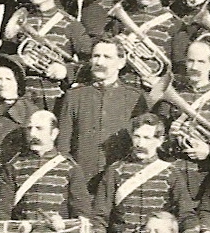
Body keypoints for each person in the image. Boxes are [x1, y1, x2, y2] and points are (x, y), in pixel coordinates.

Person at [92, 114, 199, 233]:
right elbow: (98, 216)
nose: (140, 143)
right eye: (137, 136)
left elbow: (187, 214)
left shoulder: (171, 174)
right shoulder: (115, 171)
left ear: (160, 140)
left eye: (147, 138)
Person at [152, 39, 210, 201]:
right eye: (191, 61)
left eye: (201, 62)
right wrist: (168, 137)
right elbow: (153, 136)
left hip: (203, 178)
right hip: (170, 173)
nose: (194, 67)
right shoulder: (171, 96)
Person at [55, 40, 148, 190]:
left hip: (121, 182)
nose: (99, 62)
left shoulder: (135, 98)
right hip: (81, 181)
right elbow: (63, 146)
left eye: (107, 57)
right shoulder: (74, 96)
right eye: (96, 56)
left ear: (121, 62)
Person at [1, 0, 92, 112]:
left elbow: (89, 63)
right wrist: (21, 60)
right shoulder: (20, 19)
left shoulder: (71, 24)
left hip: (55, 98)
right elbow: (4, 57)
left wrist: (66, 70)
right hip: (21, 98)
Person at [0, 110, 93, 226]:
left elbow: (82, 213)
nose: (32, 134)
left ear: (54, 134)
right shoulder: (13, 166)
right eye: (29, 128)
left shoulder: (70, 168)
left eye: (39, 128)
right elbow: (1, 212)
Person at [103, 0, 191, 91]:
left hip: (151, 92)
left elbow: (181, 68)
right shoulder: (120, 19)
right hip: (120, 88)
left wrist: (161, 83)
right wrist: (115, 44)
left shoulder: (175, 24)